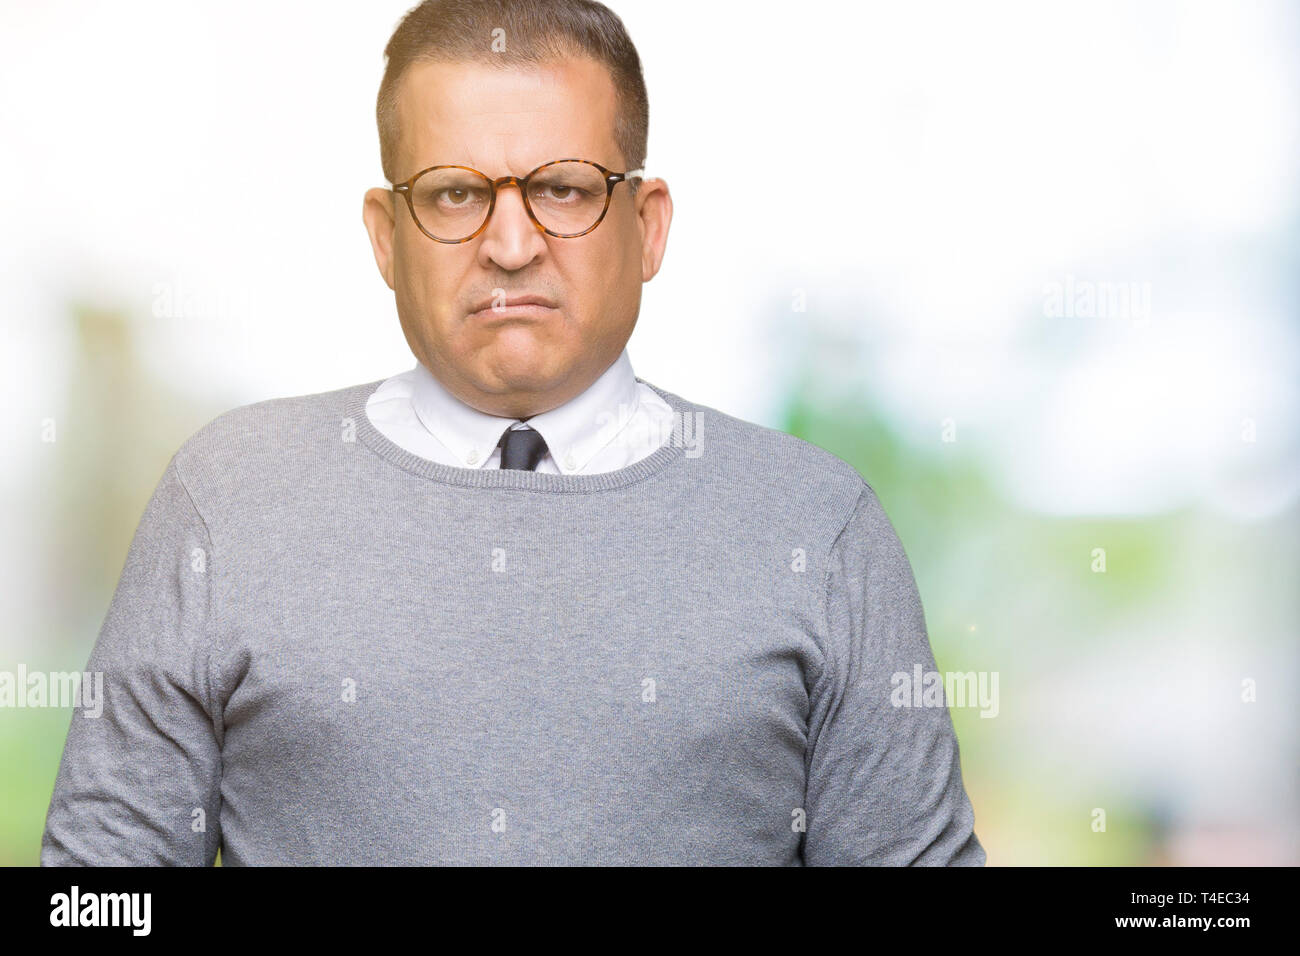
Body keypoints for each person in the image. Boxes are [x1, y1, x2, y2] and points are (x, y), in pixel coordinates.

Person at [41, 0, 985, 866]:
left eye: (564, 189)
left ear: (649, 226)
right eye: (455, 193)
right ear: (386, 235)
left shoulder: (816, 526)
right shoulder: (230, 499)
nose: (511, 243)